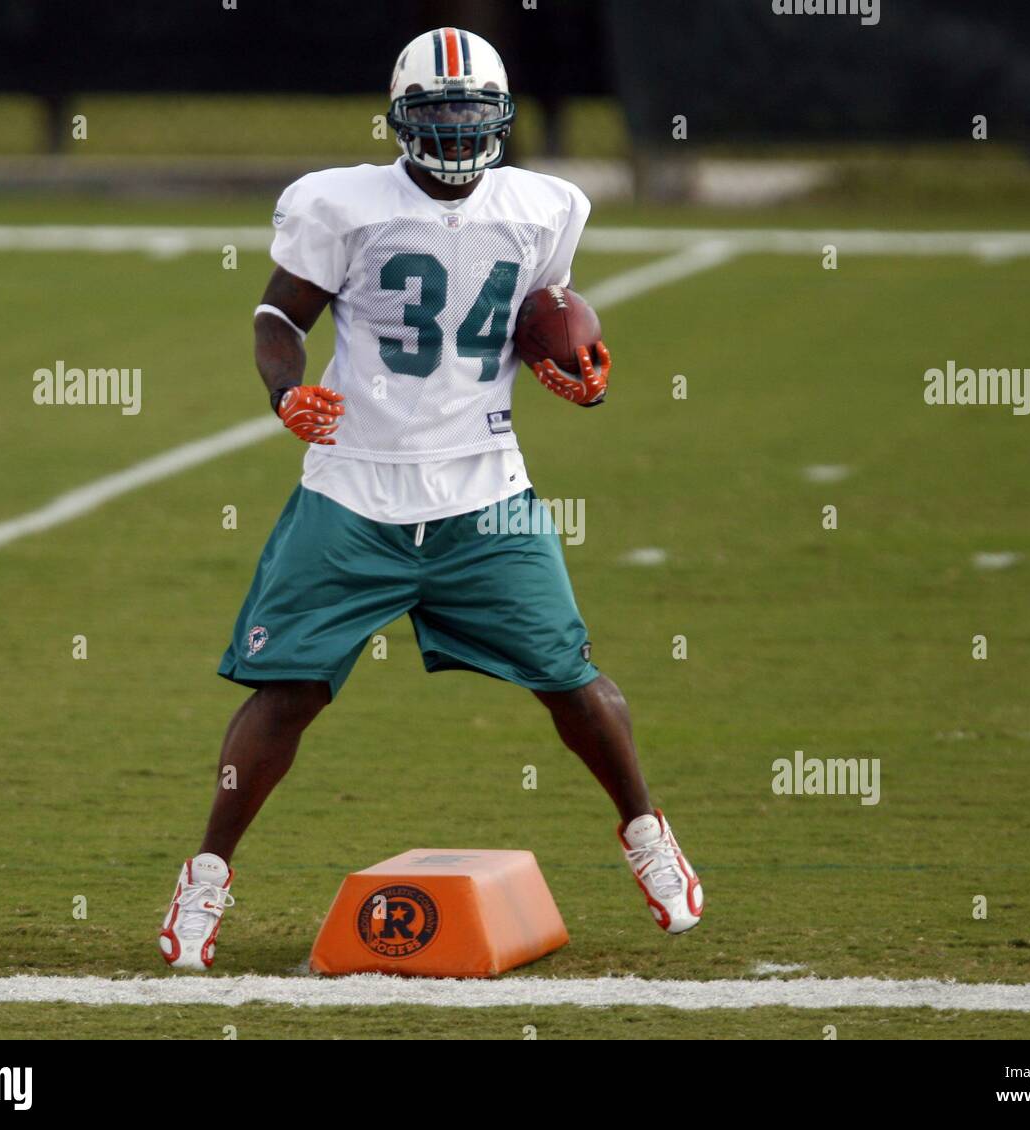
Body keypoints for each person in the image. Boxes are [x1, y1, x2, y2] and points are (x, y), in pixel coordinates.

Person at [159, 27, 702, 971]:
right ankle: (206, 873)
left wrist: (570, 369)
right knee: (285, 694)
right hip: (354, 487)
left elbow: (542, 318)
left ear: (499, 119)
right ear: (403, 119)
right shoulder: (342, 202)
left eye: (470, 114)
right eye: (436, 115)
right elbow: (279, 314)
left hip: (485, 490)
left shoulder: (545, 205)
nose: (454, 134)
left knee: (573, 682)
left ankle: (647, 833)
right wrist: (285, 392)